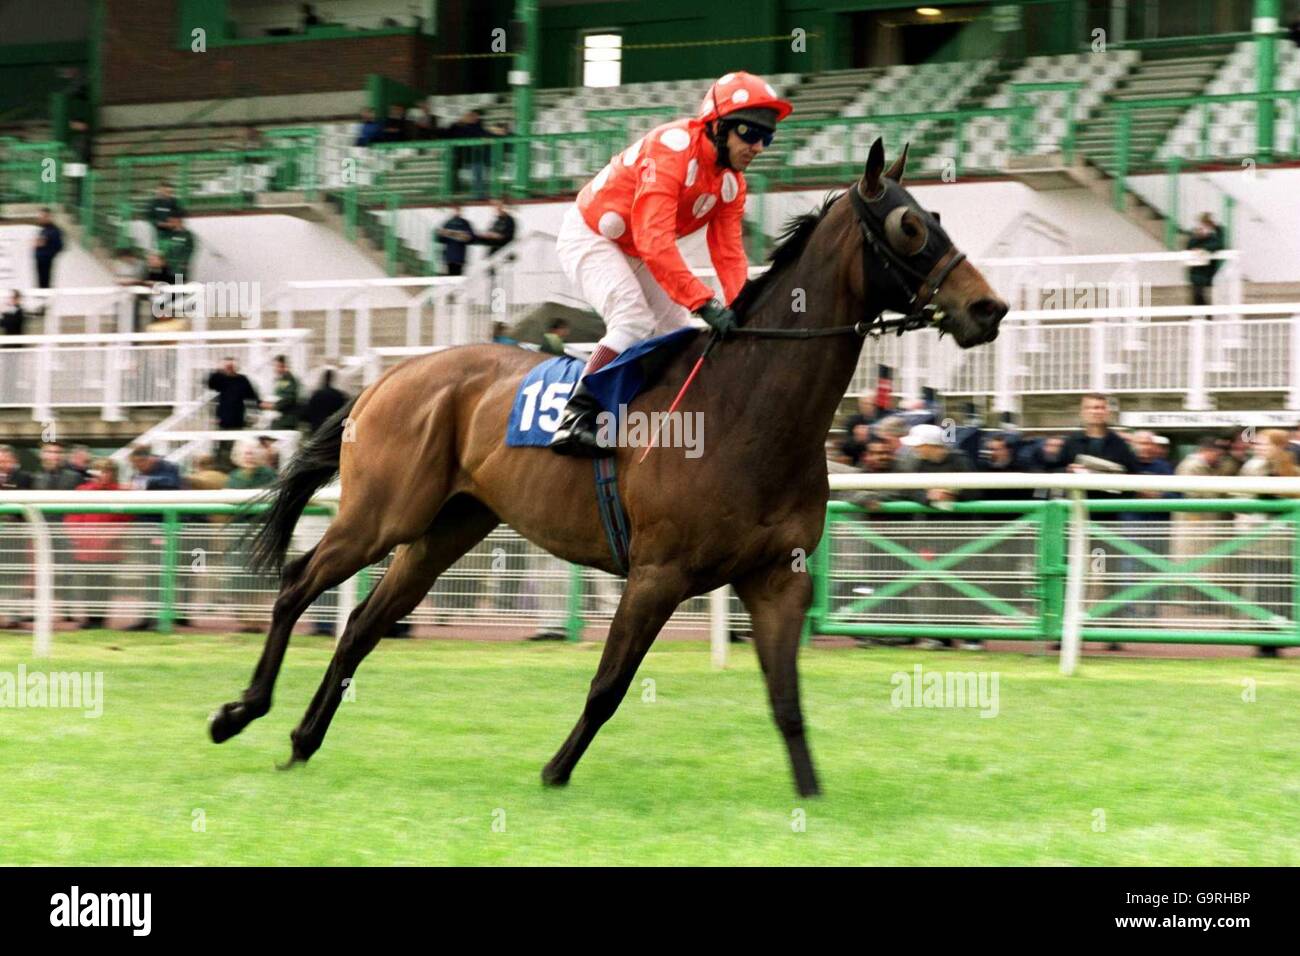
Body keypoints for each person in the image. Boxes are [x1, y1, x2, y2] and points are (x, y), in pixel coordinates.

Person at [548, 71, 792, 456]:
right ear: (718, 126)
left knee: (677, 331)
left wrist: (742, 307)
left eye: (768, 137)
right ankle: (575, 416)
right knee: (632, 318)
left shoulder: (732, 183)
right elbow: (654, 239)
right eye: (749, 133)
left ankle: (662, 419)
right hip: (591, 234)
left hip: (635, 249)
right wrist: (704, 302)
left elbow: (729, 254)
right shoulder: (671, 148)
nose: (759, 146)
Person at [1231, 429, 1300, 657]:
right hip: (1259, 541)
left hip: (1285, 543)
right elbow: (1240, 497)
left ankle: (1277, 637)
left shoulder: (1291, 467)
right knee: (1263, 591)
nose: (1258, 447)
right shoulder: (1253, 467)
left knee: (1280, 591)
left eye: (1264, 443)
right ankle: (1264, 640)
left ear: (1278, 445)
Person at [125, 444, 184, 631]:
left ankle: (167, 616)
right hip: (146, 528)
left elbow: (172, 484)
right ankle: (149, 616)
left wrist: (147, 482)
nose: (137, 469)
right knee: (149, 575)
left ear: (148, 459)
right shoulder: (138, 474)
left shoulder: (170, 468)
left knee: (167, 573)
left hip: (166, 527)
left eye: (139, 464)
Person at [66, 459, 131, 629]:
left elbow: (125, 521)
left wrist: (107, 538)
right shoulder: (82, 491)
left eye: (106, 471)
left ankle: (99, 620)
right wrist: (77, 536)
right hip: (85, 548)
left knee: (104, 584)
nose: (102, 474)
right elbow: (71, 518)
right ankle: (90, 618)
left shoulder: (120, 493)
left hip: (108, 550)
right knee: (87, 584)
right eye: (99, 470)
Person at [207, 357, 261, 467]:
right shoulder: (221, 379)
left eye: (231, 366)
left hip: (237, 420)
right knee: (221, 448)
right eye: (228, 366)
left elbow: (252, 397)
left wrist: (256, 411)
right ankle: (220, 469)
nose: (230, 368)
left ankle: (232, 469)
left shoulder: (242, 380)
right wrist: (219, 370)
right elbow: (210, 383)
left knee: (235, 448)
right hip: (222, 420)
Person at [1184, 212, 1224, 307]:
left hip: (1209, 270)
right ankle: (1200, 315)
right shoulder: (1195, 234)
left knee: (1199, 294)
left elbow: (1219, 244)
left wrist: (1203, 248)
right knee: (1197, 294)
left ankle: (1205, 315)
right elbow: (1189, 247)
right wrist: (1198, 237)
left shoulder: (1216, 233)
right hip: (1197, 271)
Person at [303, 368, 348, 435]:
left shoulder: (316, 394)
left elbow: (307, 413)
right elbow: (343, 414)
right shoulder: (339, 395)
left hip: (317, 429)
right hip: (332, 430)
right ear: (333, 379)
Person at [261, 354, 300, 430]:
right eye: (275, 366)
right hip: (280, 420)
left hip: (285, 422)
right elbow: (280, 396)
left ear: (284, 366)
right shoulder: (281, 380)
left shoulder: (288, 379)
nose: (275, 369)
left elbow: (288, 399)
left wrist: (271, 406)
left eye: (278, 366)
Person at [436, 206, 475, 276]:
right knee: (448, 279)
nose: (456, 211)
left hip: (459, 257)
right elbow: (441, 239)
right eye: (455, 209)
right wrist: (441, 234)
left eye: (458, 209)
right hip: (449, 257)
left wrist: (453, 234)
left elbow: (470, 238)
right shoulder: (448, 223)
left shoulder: (465, 223)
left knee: (457, 278)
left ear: (461, 210)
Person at [33, 208, 63, 289]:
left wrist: (47, 253)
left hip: (46, 261)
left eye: (42, 216)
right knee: (41, 283)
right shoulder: (44, 229)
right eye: (39, 216)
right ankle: (41, 297)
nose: (40, 218)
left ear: (48, 217)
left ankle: (45, 298)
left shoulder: (55, 231)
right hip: (40, 260)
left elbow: (59, 246)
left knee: (45, 283)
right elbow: (40, 242)